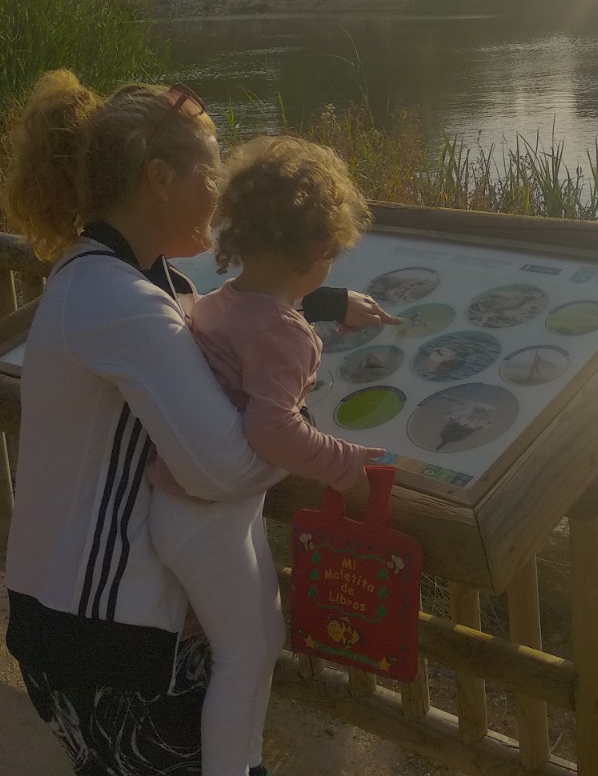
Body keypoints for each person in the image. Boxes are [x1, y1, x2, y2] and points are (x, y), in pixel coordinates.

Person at [0, 71, 396, 776]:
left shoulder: (133, 280)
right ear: (159, 178)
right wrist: (297, 431)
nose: (220, 197)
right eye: (210, 173)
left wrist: (320, 299)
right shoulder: (115, 298)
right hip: (100, 632)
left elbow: (221, 317)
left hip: (86, 613)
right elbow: (225, 466)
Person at [147, 134, 390, 776]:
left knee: (258, 638)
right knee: (247, 653)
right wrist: (346, 465)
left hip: (182, 506)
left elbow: (269, 307)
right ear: (318, 250)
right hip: (207, 518)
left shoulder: (221, 303)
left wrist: (327, 305)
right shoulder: (285, 334)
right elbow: (272, 430)